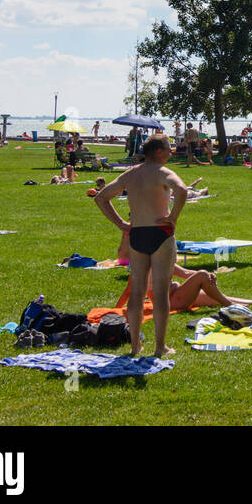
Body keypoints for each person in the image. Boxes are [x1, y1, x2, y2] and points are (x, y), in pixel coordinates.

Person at [92, 135, 190, 358]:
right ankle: (160, 347)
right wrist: (173, 217)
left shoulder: (131, 173)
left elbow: (101, 198)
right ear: (158, 152)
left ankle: (135, 346)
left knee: (137, 292)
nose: (171, 152)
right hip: (160, 233)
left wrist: (123, 226)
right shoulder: (162, 172)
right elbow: (182, 190)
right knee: (161, 291)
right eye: (168, 148)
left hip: (137, 234)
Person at [113, 261, 252, 312]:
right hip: (170, 302)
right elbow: (128, 292)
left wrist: (210, 275)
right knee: (202, 275)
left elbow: (186, 273)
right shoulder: (142, 268)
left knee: (218, 297)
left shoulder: (163, 259)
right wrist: (115, 311)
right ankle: (231, 307)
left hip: (178, 295)